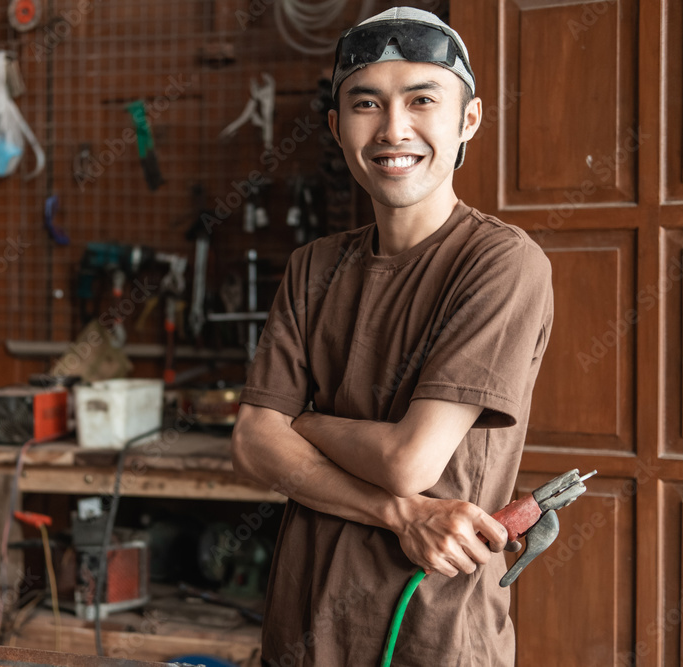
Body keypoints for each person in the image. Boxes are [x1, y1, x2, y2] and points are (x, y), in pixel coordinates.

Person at [231, 7, 554, 666]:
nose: (393, 128)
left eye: (421, 100)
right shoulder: (313, 267)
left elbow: (411, 460)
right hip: (302, 626)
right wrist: (402, 514)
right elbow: (251, 442)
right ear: (336, 126)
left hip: (429, 628)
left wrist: (305, 422)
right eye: (366, 103)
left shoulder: (502, 262)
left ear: (468, 120)